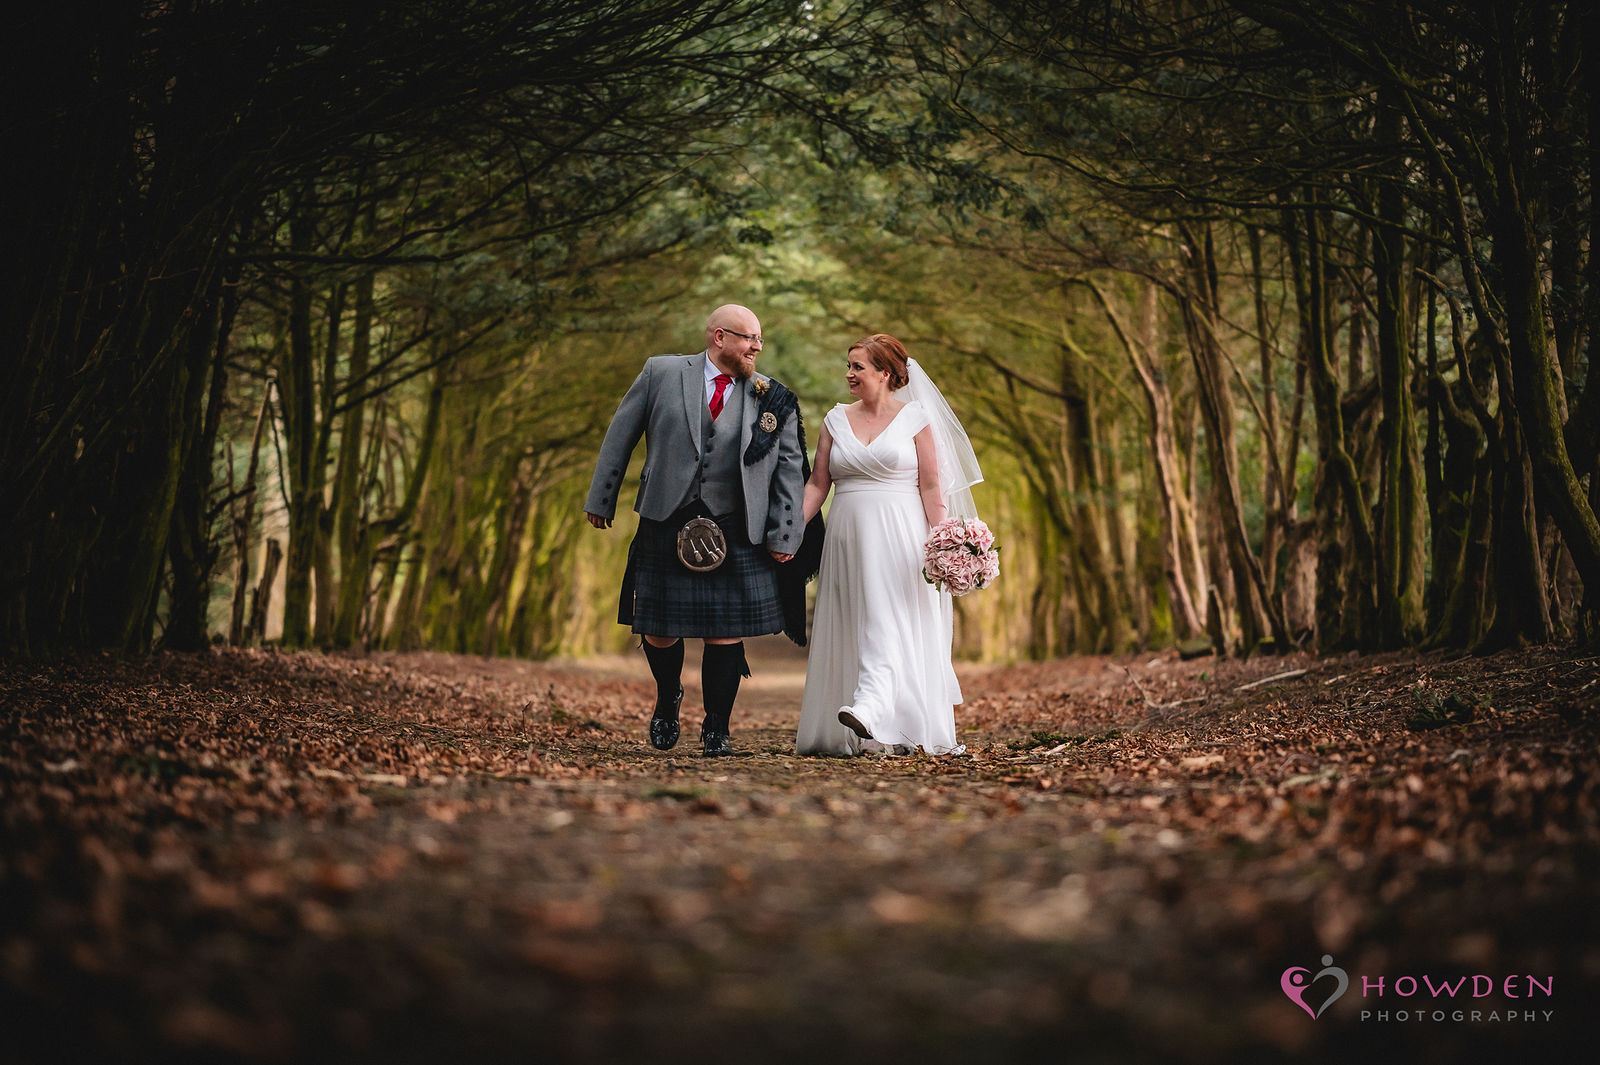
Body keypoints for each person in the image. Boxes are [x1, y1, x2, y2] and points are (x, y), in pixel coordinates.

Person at [584, 304, 807, 756]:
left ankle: (716, 730)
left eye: (760, 340)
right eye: (749, 338)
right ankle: (668, 697)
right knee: (659, 631)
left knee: (724, 632)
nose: (757, 348)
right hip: (666, 517)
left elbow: (789, 468)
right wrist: (601, 499)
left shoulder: (772, 396)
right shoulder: (661, 373)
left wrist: (785, 533)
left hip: (736, 523)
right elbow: (619, 436)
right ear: (719, 337)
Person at [795, 333, 981, 756]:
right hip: (846, 535)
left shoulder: (915, 420)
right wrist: (789, 531)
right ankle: (871, 715)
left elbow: (932, 487)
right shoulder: (834, 419)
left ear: (885, 373)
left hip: (900, 535)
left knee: (886, 616)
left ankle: (872, 705)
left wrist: (950, 544)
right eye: (849, 365)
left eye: (858, 367)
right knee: (859, 617)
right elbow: (818, 484)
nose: (849, 374)